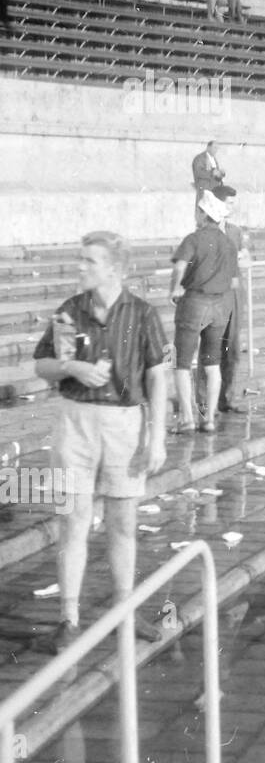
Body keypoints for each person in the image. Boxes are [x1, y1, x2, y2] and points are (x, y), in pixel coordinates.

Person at [32, 232, 170, 651]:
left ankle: (124, 612)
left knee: (123, 522)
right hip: (75, 422)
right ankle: (69, 618)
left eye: (89, 261)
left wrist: (157, 437)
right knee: (73, 520)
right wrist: (71, 365)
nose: (80, 267)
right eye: (80, 259)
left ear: (114, 268)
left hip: (124, 425)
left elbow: (157, 376)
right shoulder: (69, 312)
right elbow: (42, 365)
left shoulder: (142, 314)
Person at [169, 191, 239, 434]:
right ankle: (208, 419)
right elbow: (233, 280)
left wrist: (175, 287)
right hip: (220, 306)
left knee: (182, 363)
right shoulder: (228, 243)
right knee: (212, 364)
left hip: (195, 302)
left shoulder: (193, 239)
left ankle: (187, 419)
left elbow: (179, 266)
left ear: (202, 214)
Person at [195, 185, 248, 417]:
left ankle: (228, 398)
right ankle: (206, 402)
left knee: (232, 346)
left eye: (234, 205)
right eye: (228, 204)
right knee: (211, 347)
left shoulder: (236, 232)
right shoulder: (204, 232)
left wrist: (243, 260)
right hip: (214, 295)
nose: (231, 209)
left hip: (234, 293)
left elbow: (246, 260)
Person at [191, 141, 225, 225]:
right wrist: (212, 173)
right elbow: (198, 172)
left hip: (214, 190)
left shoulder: (214, 159)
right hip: (205, 189)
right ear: (208, 147)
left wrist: (220, 173)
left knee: (213, 213)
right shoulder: (200, 158)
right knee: (203, 211)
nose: (216, 150)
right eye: (214, 148)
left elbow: (215, 173)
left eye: (217, 148)